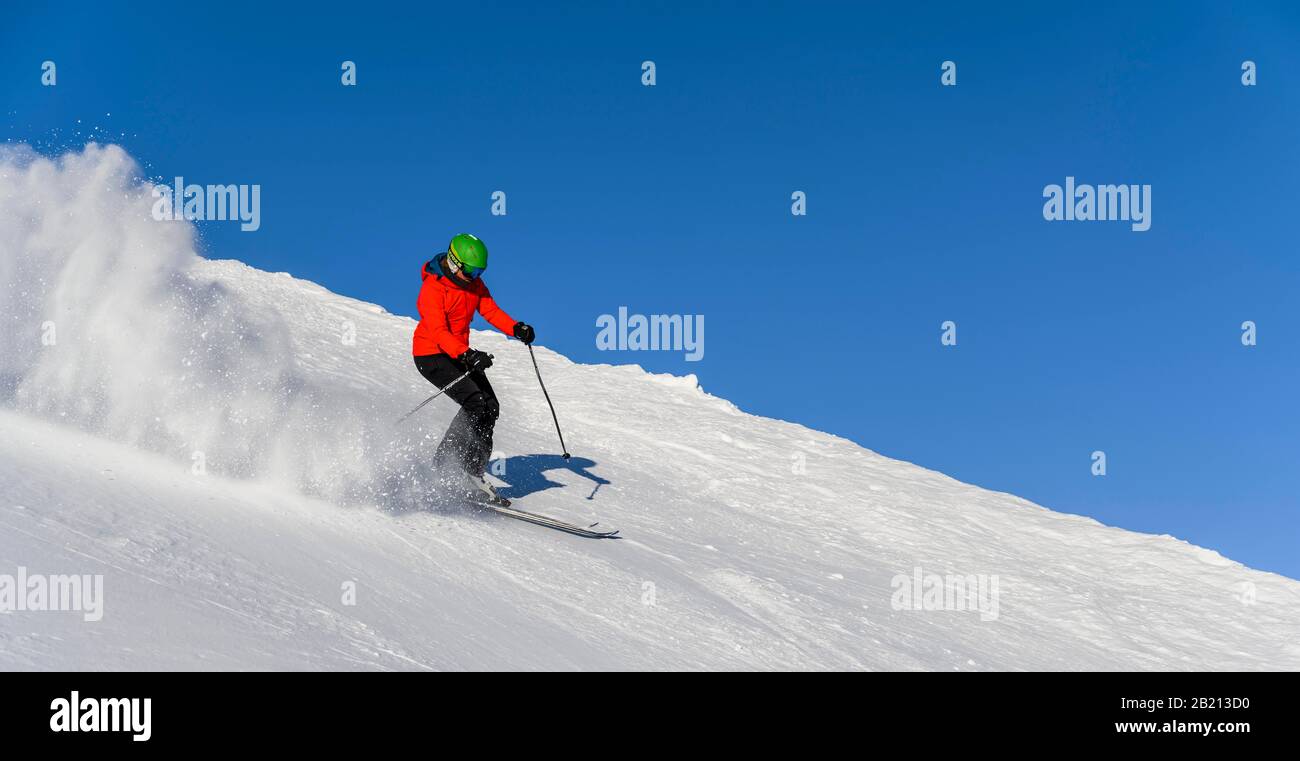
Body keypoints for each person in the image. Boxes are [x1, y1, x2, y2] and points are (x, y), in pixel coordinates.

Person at [412, 233, 535, 504]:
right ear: (456, 263)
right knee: (476, 402)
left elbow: (490, 310)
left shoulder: (474, 285)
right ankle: (455, 469)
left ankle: (467, 470)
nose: (475, 276)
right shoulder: (433, 289)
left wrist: (516, 328)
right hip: (432, 355)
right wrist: (467, 354)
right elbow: (438, 331)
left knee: (490, 406)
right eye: (472, 270)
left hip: (459, 354)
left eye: (480, 271)